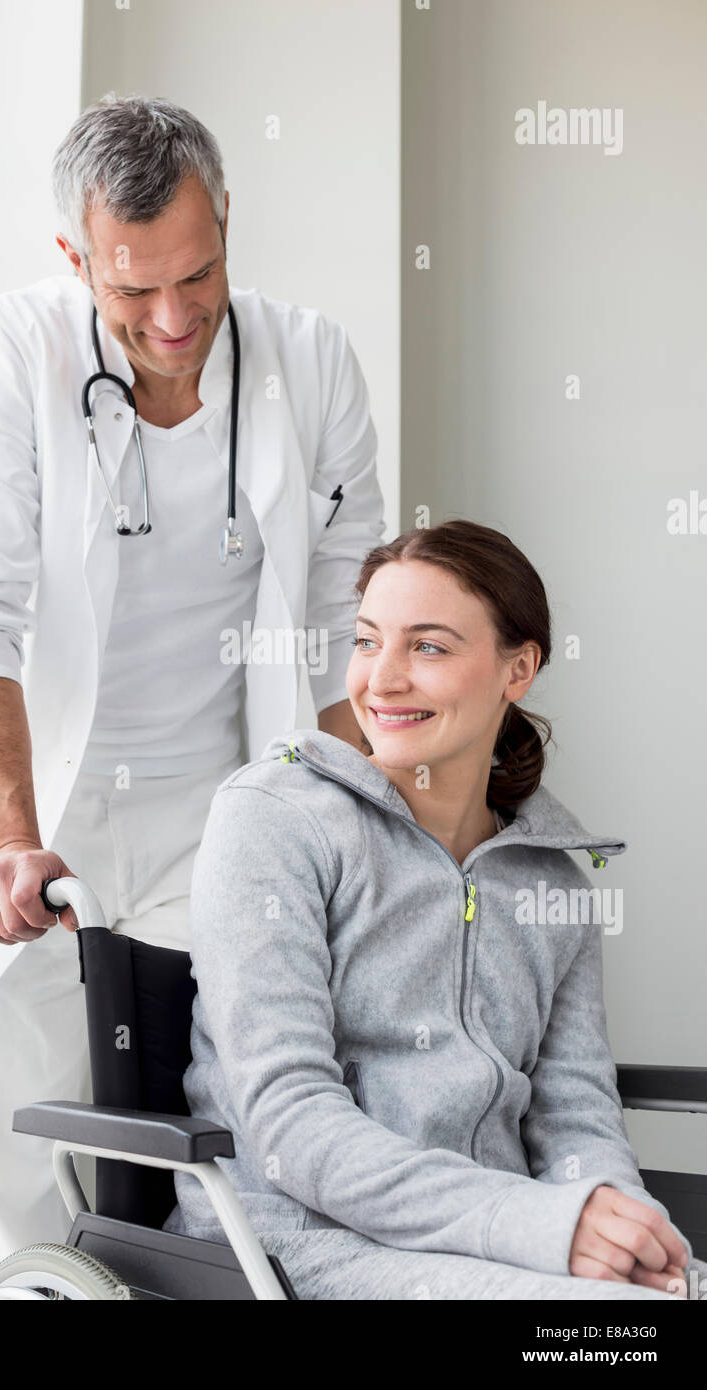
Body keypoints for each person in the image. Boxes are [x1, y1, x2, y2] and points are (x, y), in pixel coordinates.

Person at [0, 93, 385, 1298]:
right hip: (31, 812)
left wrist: (359, 827)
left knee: (225, 1148)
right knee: (15, 1162)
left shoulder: (308, 361)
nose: (171, 318)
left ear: (225, 230)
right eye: (131, 289)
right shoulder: (10, 356)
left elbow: (346, 629)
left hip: (223, 812)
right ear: (73, 259)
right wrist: (5, 839)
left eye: (196, 276)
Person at [163, 519, 707, 1300]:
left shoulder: (552, 880)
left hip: (501, 1251)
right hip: (294, 1245)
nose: (380, 680)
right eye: (366, 640)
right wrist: (539, 1225)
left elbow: (577, 1116)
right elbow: (290, 1122)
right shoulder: (273, 820)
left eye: (428, 647)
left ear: (517, 669)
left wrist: (622, 1230)